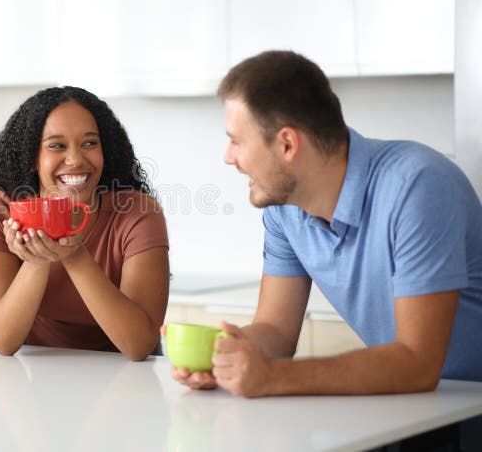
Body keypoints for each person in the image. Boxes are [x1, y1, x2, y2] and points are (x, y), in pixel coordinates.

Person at [170, 50, 482, 397]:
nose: (228, 157)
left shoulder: (418, 186)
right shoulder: (284, 208)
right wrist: (224, 359)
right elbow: (275, 330)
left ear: (287, 143)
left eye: (236, 141)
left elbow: (417, 364)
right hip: (413, 409)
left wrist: (273, 376)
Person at [0, 86, 169, 361]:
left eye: (90, 143)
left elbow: (139, 345)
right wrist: (38, 259)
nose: (76, 160)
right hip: (40, 377)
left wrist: (74, 254)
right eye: (57, 146)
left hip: (127, 379)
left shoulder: (137, 213)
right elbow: (3, 341)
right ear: (32, 157)